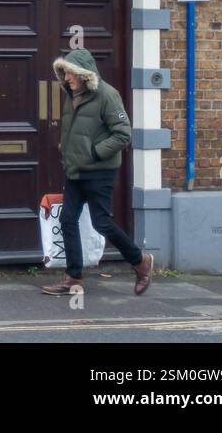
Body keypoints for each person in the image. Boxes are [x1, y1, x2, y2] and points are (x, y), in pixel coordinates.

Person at [41, 48, 153, 296]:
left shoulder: (107, 95)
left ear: (83, 74)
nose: (66, 78)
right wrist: (68, 149)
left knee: (101, 222)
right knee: (67, 220)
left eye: (70, 73)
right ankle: (73, 278)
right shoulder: (72, 95)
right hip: (75, 171)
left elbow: (123, 133)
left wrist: (93, 152)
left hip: (99, 172)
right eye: (64, 73)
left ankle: (140, 261)